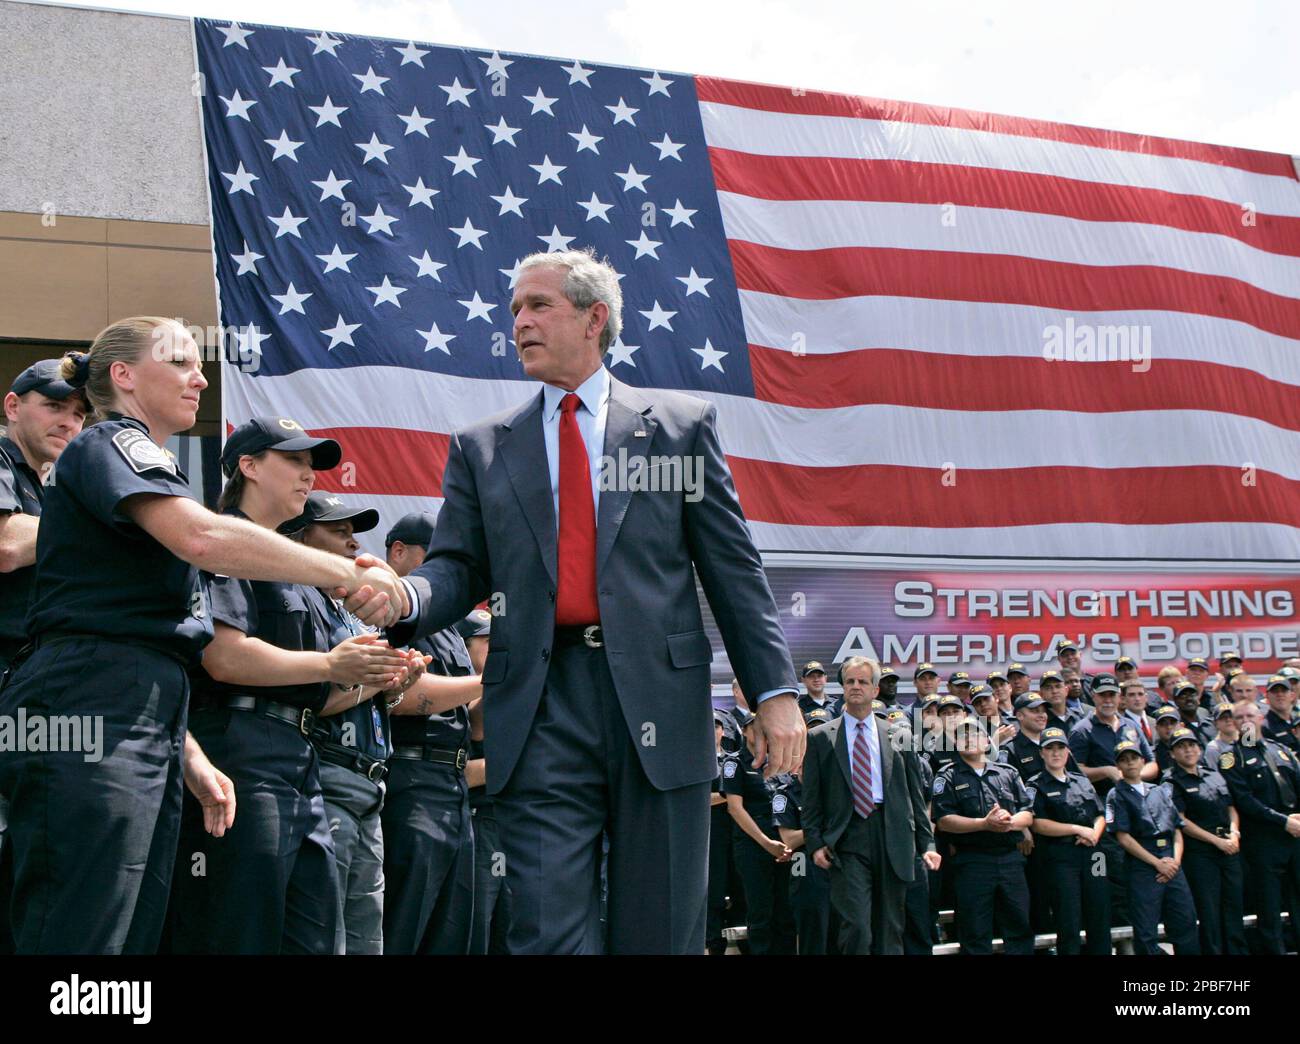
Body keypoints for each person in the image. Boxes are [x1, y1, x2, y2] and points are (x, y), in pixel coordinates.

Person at [376, 249, 801, 954]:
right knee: (544, 930)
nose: (519, 322)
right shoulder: (483, 447)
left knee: (660, 931)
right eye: (515, 309)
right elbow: (454, 569)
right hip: (539, 706)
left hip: (659, 703)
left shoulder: (678, 427)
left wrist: (775, 692)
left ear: (594, 317)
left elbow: (733, 570)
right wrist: (401, 596)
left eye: (538, 306)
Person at [0, 318, 408, 955]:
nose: (200, 377)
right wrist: (344, 571)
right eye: (182, 362)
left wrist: (186, 754)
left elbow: (151, 634)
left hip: (139, 707)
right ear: (124, 375)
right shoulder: (109, 442)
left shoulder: (144, 466)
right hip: (88, 702)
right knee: (84, 930)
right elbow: (203, 539)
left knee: (133, 934)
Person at [169, 419, 421, 955]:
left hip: (302, 759)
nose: (309, 474)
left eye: (313, 465)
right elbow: (224, 658)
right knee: (242, 928)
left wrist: (369, 678)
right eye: (294, 461)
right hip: (240, 755)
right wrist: (331, 664)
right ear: (249, 466)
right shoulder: (225, 545)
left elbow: (320, 686)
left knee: (315, 939)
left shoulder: (290, 567)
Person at [293, 491, 440, 954]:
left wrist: (397, 681)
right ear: (300, 537)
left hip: (370, 786)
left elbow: (373, 701)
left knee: (364, 942)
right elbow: (311, 698)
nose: (352, 542)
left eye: (353, 532)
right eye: (337, 531)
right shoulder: (299, 598)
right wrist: (379, 680)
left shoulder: (350, 612)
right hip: (329, 779)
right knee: (322, 935)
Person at [0, 359, 88, 952]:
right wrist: (100, 507)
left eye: (80, 413)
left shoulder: (51, 486)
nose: (69, 421)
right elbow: (6, 546)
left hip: (41, 686)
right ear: (13, 407)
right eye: (54, 406)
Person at [380, 512, 485, 956]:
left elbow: (470, 717)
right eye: (435, 558)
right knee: (403, 929)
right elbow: (402, 697)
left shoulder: (449, 630)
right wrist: (490, 681)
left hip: (453, 791)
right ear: (399, 552)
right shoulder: (385, 611)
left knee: (452, 935)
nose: (447, 574)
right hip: (410, 780)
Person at [800, 657, 937, 955]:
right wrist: (814, 842)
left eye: (863, 681)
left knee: (890, 929)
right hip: (847, 837)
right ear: (842, 688)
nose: (856, 687)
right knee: (857, 927)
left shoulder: (899, 736)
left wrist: (927, 843)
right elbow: (811, 798)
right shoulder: (821, 737)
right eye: (850, 681)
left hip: (893, 835)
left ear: (876, 690)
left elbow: (915, 796)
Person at [932, 717, 1035, 955]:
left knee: (1019, 927)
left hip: (1010, 860)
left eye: (974, 733)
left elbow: (1027, 813)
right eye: (961, 735)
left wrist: (1009, 823)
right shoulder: (947, 775)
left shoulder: (1007, 772)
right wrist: (984, 824)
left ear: (988, 741)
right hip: (973, 863)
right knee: (975, 932)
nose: (968, 739)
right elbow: (945, 821)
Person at [1219, 701, 1300, 956]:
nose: (1246, 721)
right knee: (1269, 907)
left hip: (1295, 836)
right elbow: (1244, 801)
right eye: (1239, 717)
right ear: (1233, 722)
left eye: (1250, 715)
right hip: (1264, 840)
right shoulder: (1231, 757)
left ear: (1261, 717)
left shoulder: (1282, 750)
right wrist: (1283, 820)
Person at [1105, 740, 1200, 954]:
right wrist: (1157, 863)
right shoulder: (1116, 794)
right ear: (1118, 766)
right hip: (1143, 863)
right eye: (1124, 760)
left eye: (1134, 758)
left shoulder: (1159, 791)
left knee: (1185, 921)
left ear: (1143, 761)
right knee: (1146, 928)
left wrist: (1174, 862)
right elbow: (1123, 836)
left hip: (1171, 858)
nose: (1130, 764)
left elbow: (1176, 828)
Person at [1164, 727, 1246, 955]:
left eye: (1191, 745)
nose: (1187, 750)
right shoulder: (1171, 780)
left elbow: (1231, 808)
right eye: (1181, 746)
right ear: (1172, 753)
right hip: (1201, 853)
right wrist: (1215, 841)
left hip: (1229, 848)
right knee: (1209, 913)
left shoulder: (1213, 773)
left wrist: (1234, 832)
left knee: (1234, 907)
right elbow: (1180, 820)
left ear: (1199, 749)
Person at [1029, 727, 1110, 954]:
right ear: (1041, 753)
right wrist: (1077, 829)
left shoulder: (1081, 781)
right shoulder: (1036, 784)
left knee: (1100, 913)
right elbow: (1038, 824)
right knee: (1069, 918)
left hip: (1095, 854)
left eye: (1060, 748)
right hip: (1062, 855)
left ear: (1068, 752)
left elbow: (1100, 813)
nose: (1056, 753)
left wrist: (1093, 832)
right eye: (1050, 748)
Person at [722, 741, 795, 955]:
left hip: (783, 844)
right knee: (760, 913)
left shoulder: (780, 759)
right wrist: (766, 842)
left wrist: (786, 841)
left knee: (786, 914)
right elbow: (734, 808)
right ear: (744, 731)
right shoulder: (736, 762)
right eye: (752, 725)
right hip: (753, 844)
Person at [771, 768, 835, 955]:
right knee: (814, 936)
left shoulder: (833, 790)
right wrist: (821, 828)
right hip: (805, 869)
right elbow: (789, 839)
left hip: (837, 868)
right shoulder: (786, 793)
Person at [1261, 675, 1300, 754]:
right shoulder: (1263, 727)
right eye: (1275, 691)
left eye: (1284, 691)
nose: (1279, 694)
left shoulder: (1297, 720)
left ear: (1292, 695)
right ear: (1267, 696)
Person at [1173, 681, 1215, 747]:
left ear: (1198, 698)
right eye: (1183, 696)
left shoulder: (1206, 716)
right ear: (1175, 701)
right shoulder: (1174, 725)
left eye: (1192, 695)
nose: (1189, 699)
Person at [1150, 704, 1183, 772]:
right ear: (1156, 728)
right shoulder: (1152, 755)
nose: (1169, 727)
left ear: (1181, 726)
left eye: (1172, 723)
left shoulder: (1191, 749)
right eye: (1163, 724)